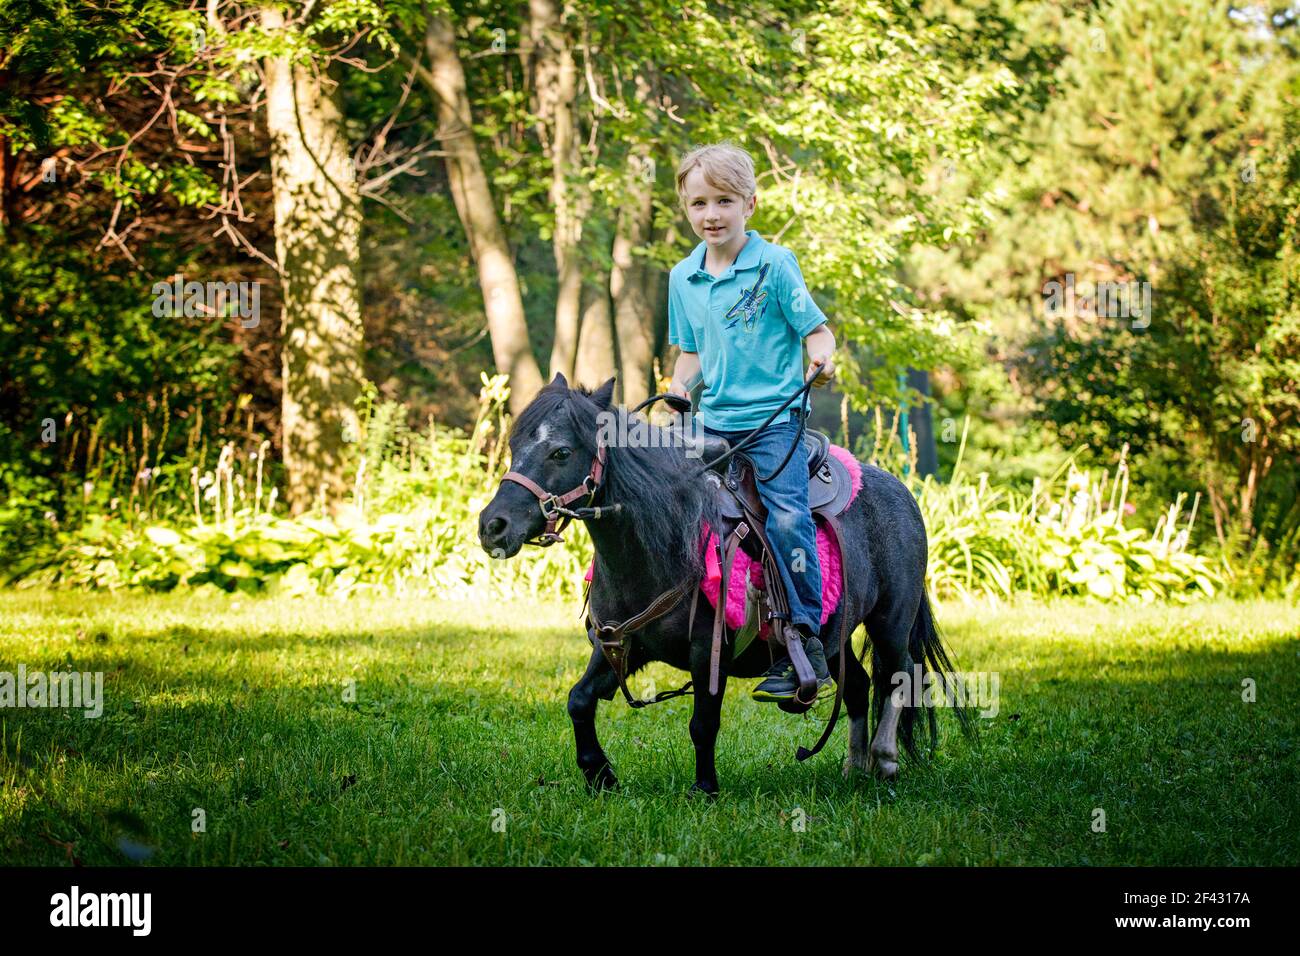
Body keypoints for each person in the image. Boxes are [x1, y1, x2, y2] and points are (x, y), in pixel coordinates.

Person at [666, 142, 838, 704]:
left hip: (773, 422)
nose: (711, 214)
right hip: (711, 424)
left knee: (787, 518)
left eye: (724, 201)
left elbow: (815, 329)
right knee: (673, 508)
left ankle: (806, 639)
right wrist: (677, 386)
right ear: (685, 208)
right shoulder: (682, 277)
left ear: (750, 205)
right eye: (698, 203)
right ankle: (676, 626)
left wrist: (822, 357)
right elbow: (690, 352)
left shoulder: (774, 264)